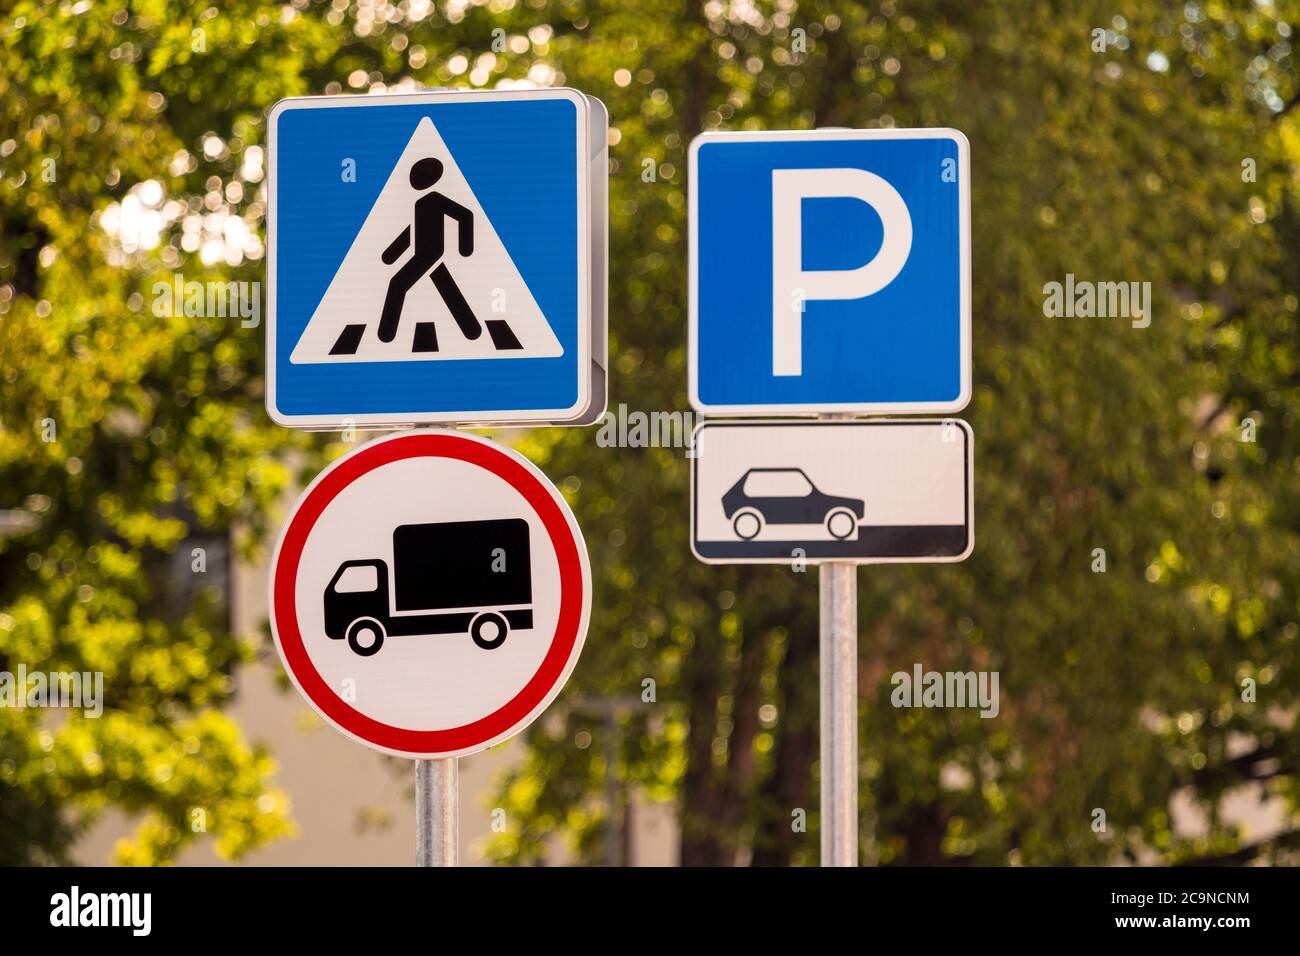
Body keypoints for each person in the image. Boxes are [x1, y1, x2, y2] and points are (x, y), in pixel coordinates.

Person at [377, 157, 480, 343]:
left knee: (397, 284)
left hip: (430, 254)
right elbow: (412, 232)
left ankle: (385, 334)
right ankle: (472, 330)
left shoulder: (435, 199)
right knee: (446, 287)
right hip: (426, 254)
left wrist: (465, 248)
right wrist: (391, 254)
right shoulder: (421, 203)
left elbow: (465, 216)